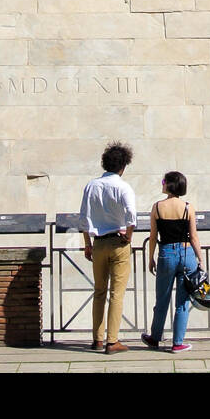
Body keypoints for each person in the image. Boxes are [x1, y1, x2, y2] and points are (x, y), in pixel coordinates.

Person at [79, 142, 137, 354]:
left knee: (99, 291)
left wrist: (87, 244)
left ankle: (97, 339)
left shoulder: (91, 185)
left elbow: (84, 219)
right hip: (119, 241)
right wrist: (128, 237)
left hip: (98, 243)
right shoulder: (123, 187)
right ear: (123, 165)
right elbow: (132, 217)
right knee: (117, 293)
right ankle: (113, 341)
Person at [141, 170, 204, 353]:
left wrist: (150, 257)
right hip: (186, 254)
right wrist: (200, 258)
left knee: (162, 298)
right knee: (182, 301)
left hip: (166, 253)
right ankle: (178, 342)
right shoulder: (187, 207)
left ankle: (155, 337)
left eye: (163, 181)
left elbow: (153, 237)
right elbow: (193, 237)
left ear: (169, 184)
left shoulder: (157, 207)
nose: (161, 184)